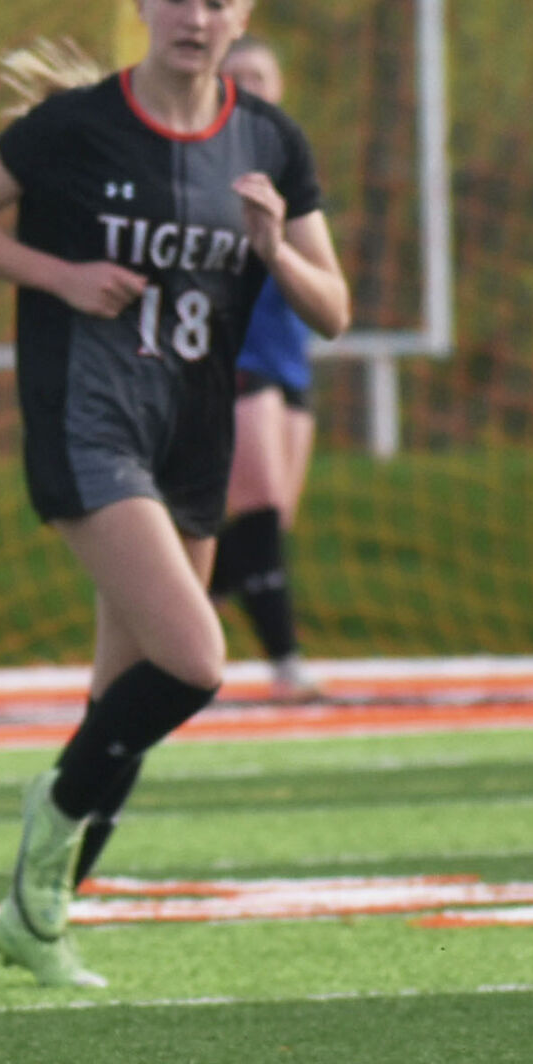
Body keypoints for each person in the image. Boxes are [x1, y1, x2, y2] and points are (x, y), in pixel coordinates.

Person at [0, 0, 348, 988]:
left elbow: (331, 308)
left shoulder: (270, 140)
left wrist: (273, 246)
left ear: (243, 14)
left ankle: (37, 918)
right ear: (141, 0)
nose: (194, 15)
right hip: (88, 424)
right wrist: (59, 276)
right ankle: (54, 804)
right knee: (194, 661)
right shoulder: (76, 126)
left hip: (190, 437)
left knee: (126, 701)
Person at [209, 35, 324, 701]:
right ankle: (286, 662)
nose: (247, 87)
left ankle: (173, 604)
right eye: (235, 76)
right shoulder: (202, 163)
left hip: (288, 357)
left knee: (270, 525)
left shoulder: (292, 167)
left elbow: (318, 275)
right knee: (260, 507)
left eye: (259, 75)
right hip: (233, 355)